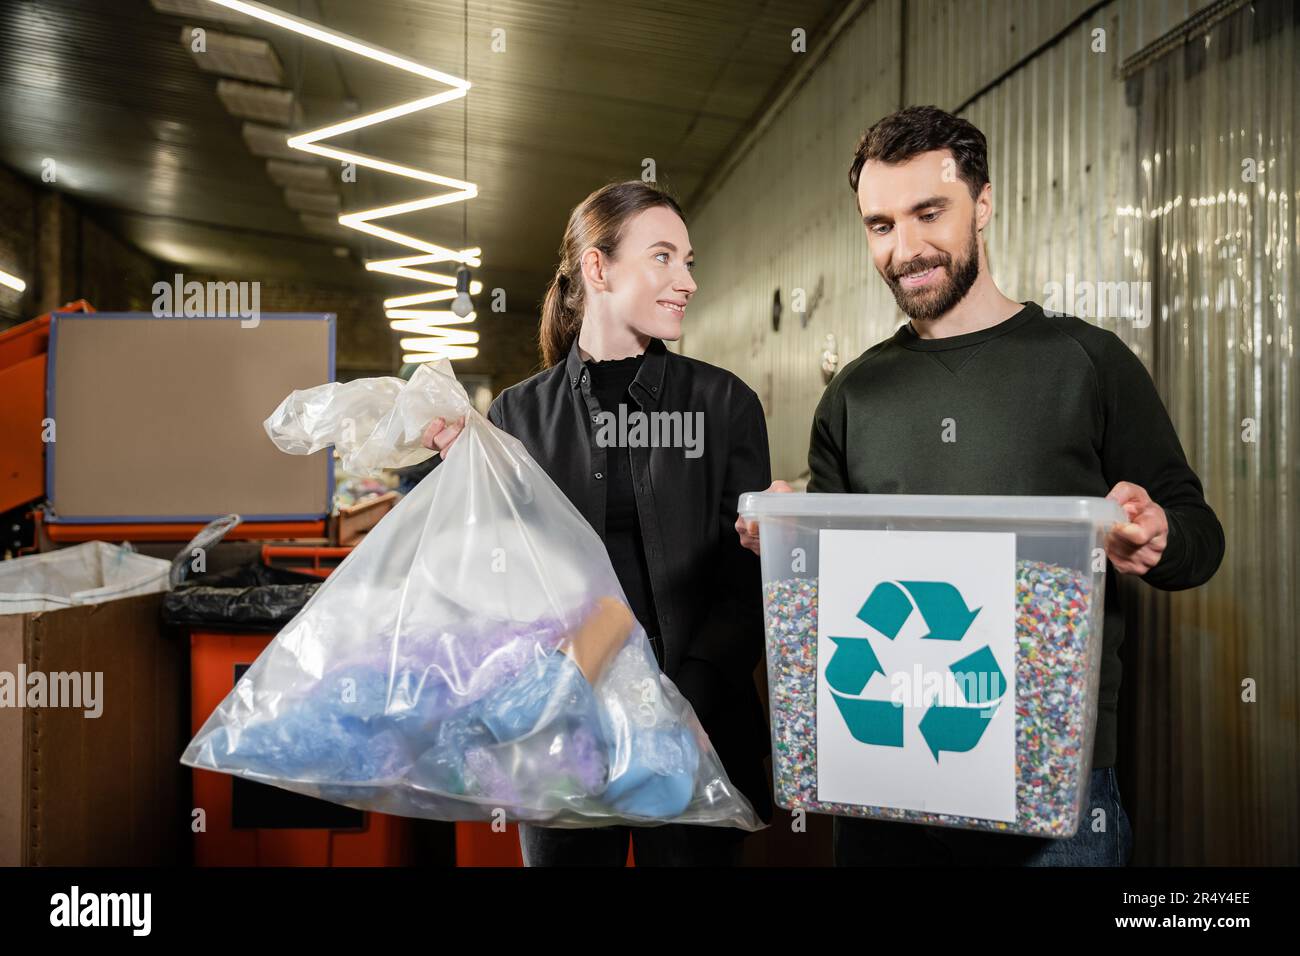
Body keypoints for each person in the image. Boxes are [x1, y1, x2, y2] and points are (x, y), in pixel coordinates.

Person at [737, 105, 1225, 866]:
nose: (906, 249)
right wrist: (784, 532)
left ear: (984, 203)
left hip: (1050, 785)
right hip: (882, 770)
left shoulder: (1086, 362)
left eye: (929, 213)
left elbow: (1200, 538)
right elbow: (822, 591)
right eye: (880, 225)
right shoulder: (855, 395)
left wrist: (1158, 534)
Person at [424, 180, 774, 865]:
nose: (688, 281)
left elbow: (747, 567)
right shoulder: (516, 418)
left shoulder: (725, 402)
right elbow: (498, 580)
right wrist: (462, 481)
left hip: (695, 728)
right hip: (563, 730)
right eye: (664, 258)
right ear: (598, 268)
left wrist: (688, 698)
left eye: (689, 261)